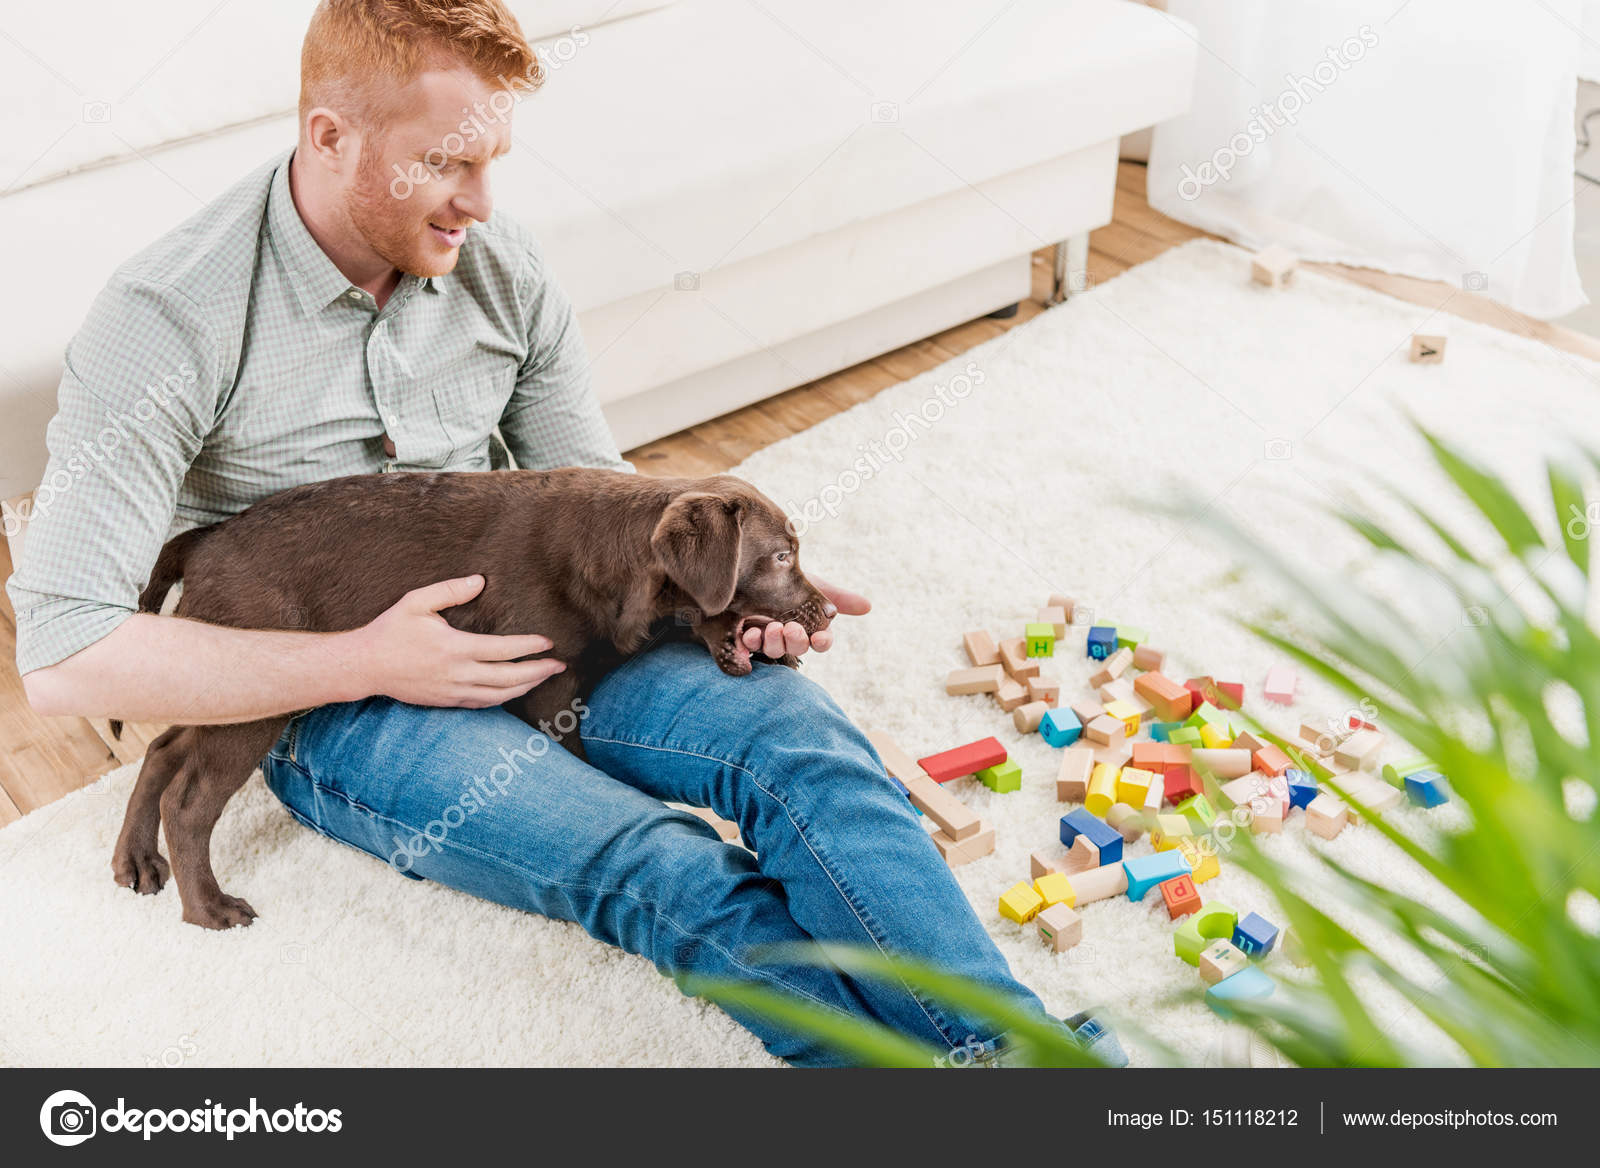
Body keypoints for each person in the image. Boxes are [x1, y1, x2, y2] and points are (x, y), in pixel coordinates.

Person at [10, 0, 1121, 1067]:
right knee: (664, 872)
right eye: (447, 163)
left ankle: (1017, 1068)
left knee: (808, 753)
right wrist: (368, 657)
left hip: (561, 630)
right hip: (332, 701)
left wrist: (734, 592)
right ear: (330, 137)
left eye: (492, 161)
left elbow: (612, 510)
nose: (480, 203)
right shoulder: (167, 318)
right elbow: (63, 655)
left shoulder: (501, 267)